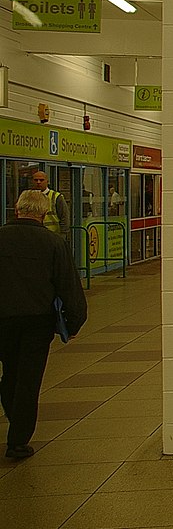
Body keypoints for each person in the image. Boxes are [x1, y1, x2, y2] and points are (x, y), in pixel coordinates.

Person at [0, 190, 87, 459]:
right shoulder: (52, 243)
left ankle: (13, 410)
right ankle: (17, 440)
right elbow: (68, 286)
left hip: (2, 321)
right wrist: (73, 323)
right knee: (28, 379)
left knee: (11, 375)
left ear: (17, 210)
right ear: (42, 213)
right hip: (37, 323)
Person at [29, 171, 68, 241]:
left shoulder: (56, 197)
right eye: (36, 180)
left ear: (47, 181)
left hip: (53, 236)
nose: (38, 182)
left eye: (41, 180)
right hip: (33, 236)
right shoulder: (28, 197)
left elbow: (64, 217)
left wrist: (62, 236)